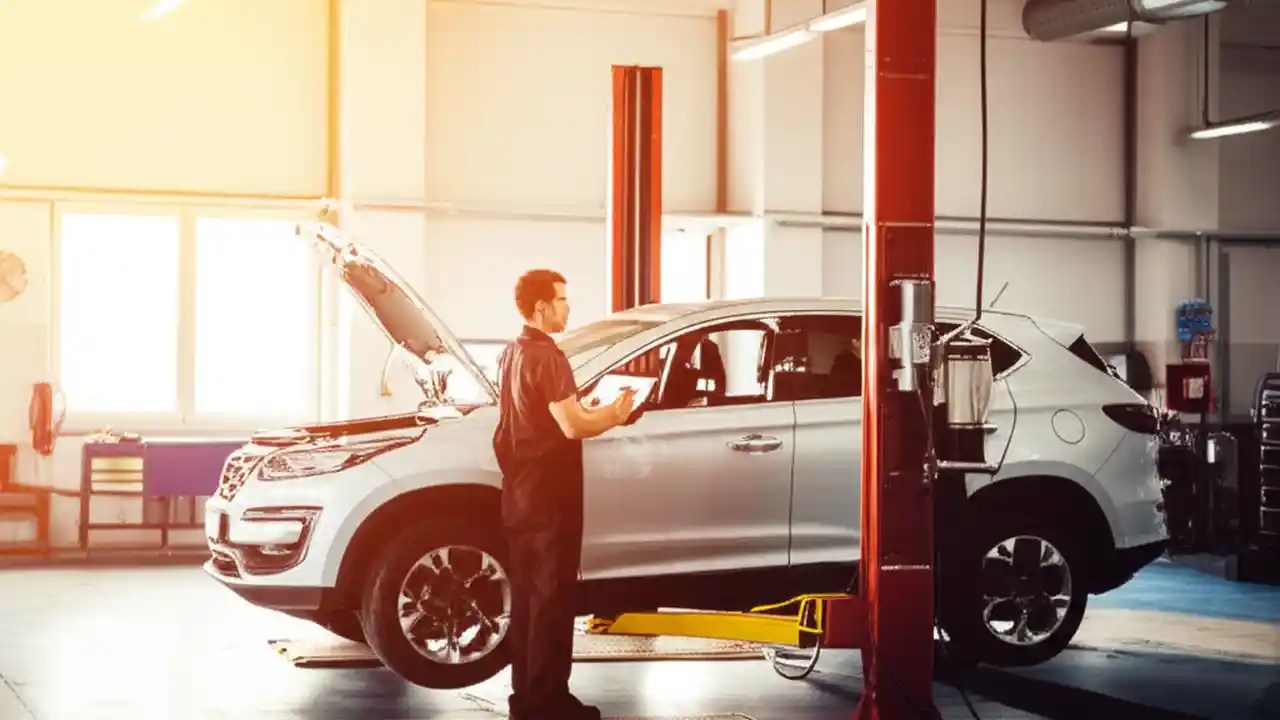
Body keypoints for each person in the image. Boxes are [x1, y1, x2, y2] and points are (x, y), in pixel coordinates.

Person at [492, 269, 636, 720]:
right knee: (553, 602)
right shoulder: (550, 358)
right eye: (561, 300)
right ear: (541, 307)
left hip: (518, 493)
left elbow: (546, 414)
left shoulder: (512, 352)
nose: (567, 307)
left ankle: (527, 700)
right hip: (551, 499)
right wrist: (613, 414)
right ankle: (550, 705)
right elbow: (572, 425)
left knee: (529, 603)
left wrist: (587, 408)